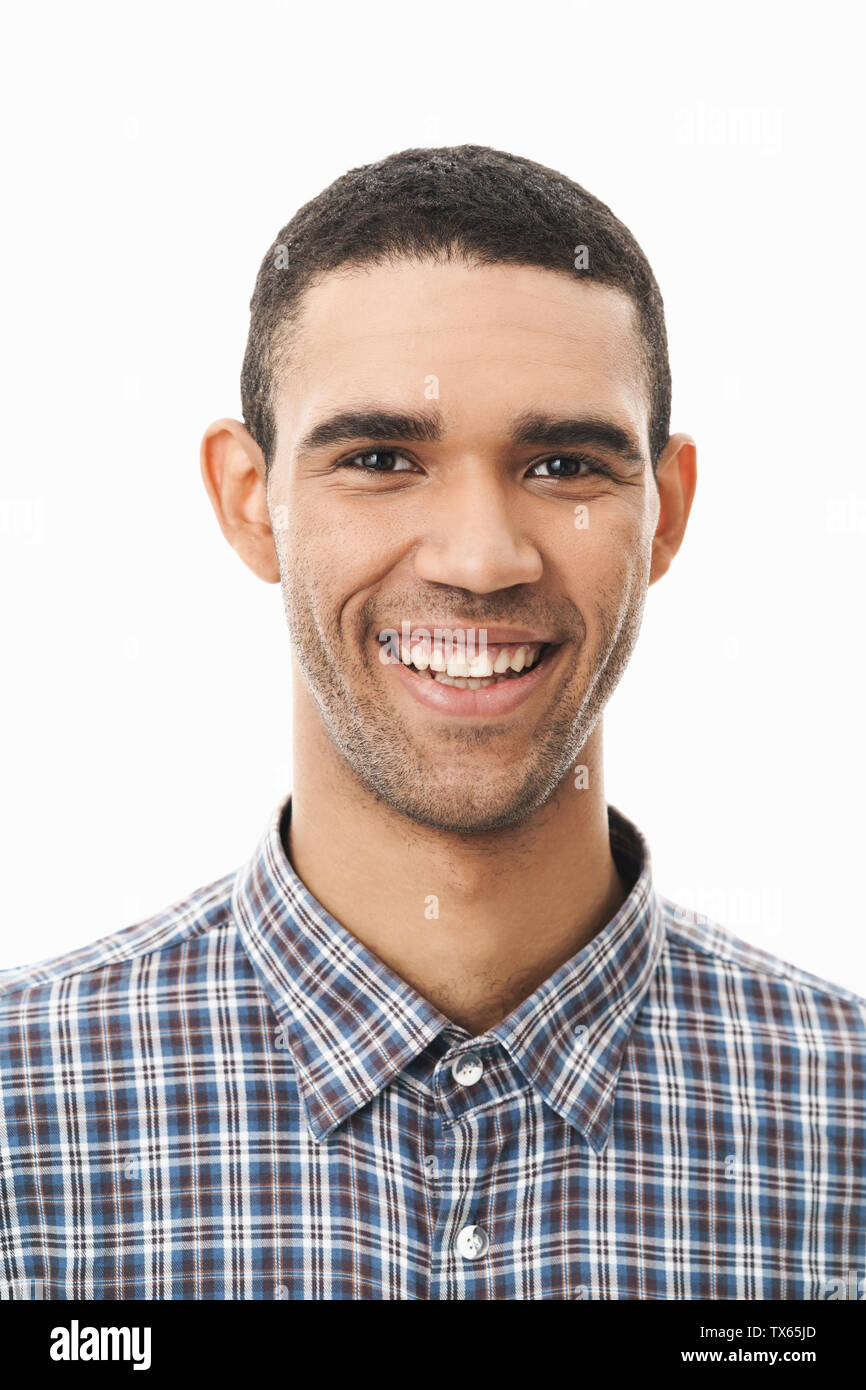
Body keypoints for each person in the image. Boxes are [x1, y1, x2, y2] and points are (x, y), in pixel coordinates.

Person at [1, 146, 863, 1301]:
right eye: (379, 458)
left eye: (562, 463)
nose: (479, 559)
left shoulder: (844, 1124)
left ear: (665, 514)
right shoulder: (22, 1122)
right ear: (249, 501)